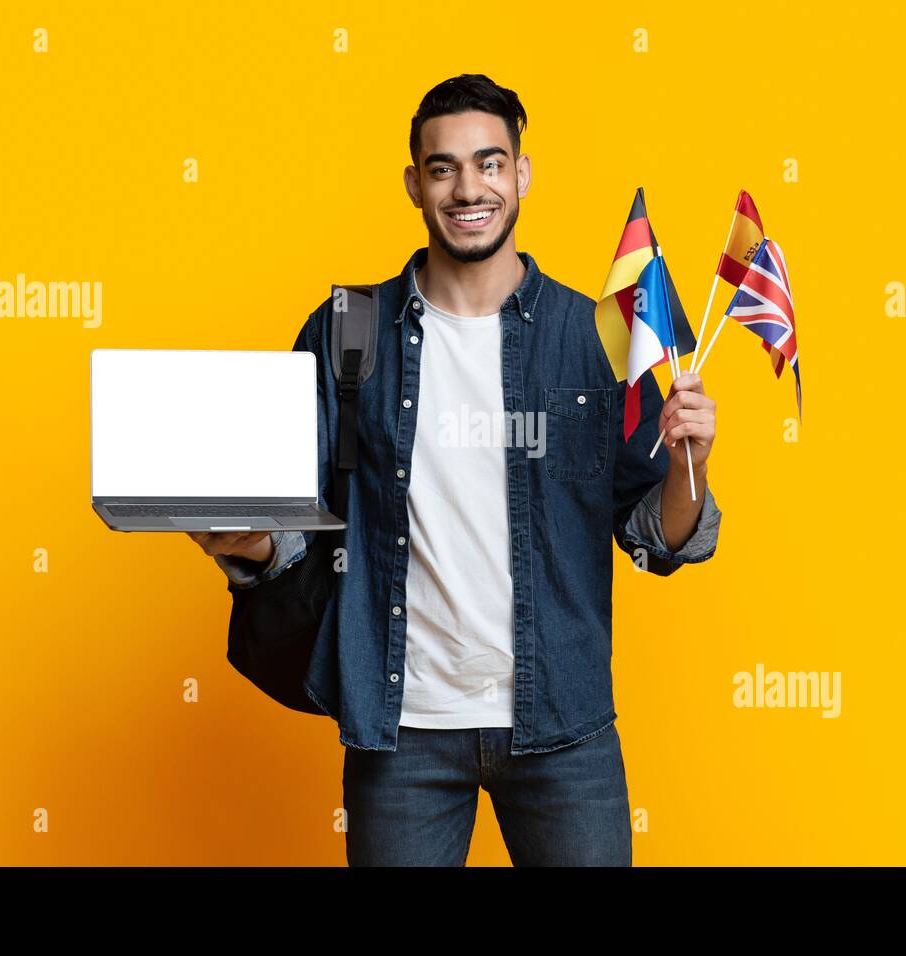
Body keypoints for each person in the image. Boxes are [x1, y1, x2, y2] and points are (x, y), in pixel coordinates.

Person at [190, 74, 722, 866]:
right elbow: (287, 525)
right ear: (414, 183)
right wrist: (248, 547)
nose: (468, 187)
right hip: (402, 732)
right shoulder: (347, 331)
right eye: (443, 168)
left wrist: (691, 467)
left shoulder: (596, 334)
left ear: (522, 174)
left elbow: (655, 539)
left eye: (489, 163)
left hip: (564, 727)